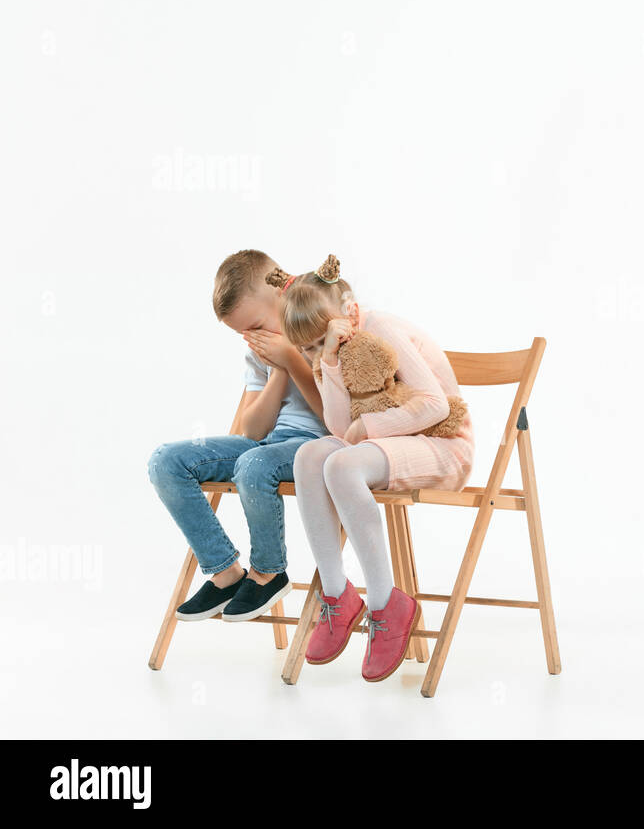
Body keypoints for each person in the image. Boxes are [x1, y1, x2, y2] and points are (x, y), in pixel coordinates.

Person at [275, 254, 475, 682]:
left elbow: (436, 404)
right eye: (306, 348)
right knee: (309, 457)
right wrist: (327, 360)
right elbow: (338, 427)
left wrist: (369, 425)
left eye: (318, 341)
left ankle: (387, 604)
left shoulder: (378, 327)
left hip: (442, 444)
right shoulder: (331, 350)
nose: (313, 352)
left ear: (347, 310)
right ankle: (338, 596)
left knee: (342, 466)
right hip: (388, 443)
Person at [148, 249, 330, 623]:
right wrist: (277, 371)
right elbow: (252, 430)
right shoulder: (262, 352)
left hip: (320, 445)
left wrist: (293, 359)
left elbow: (336, 417)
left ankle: (268, 573)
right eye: (244, 333)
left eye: (257, 326)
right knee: (165, 461)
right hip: (269, 445)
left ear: (281, 292)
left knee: (253, 463)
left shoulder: (320, 326)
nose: (253, 338)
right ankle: (225, 572)